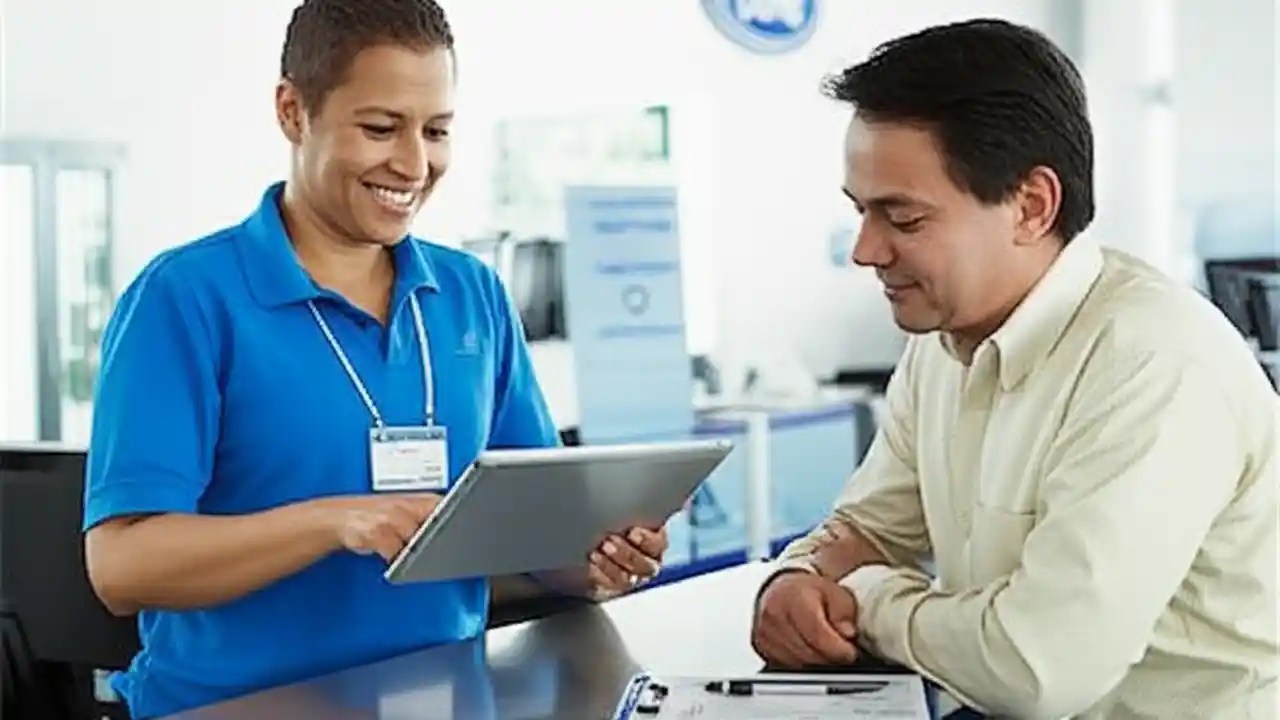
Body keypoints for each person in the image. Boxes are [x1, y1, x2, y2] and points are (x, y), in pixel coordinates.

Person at [81, 2, 667, 717]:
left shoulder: (472, 294)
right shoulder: (184, 298)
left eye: (436, 131)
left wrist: (597, 559)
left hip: (443, 698)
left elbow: (536, 538)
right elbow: (121, 567)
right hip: (235, 707)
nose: (415, 165)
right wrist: (335, 522)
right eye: (381, 128)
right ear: (293, 112)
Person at [751, 18, 1278, 720]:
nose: (865, 250)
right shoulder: (941, 345)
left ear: (1031, 207)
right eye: (861, 213)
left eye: (902, 220)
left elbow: (1040, 670)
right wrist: (796, 580)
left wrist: (868, 597)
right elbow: (867, 531)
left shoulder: (1155, 362)